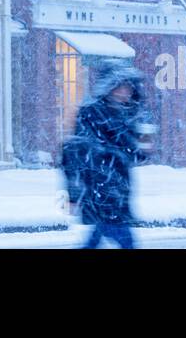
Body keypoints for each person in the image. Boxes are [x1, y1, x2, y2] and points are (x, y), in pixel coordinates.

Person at [67, 62, 144, 249]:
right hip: (100, 187)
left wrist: (142, 148)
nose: (126, 92)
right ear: (110, 87)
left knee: (99, 235)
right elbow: (75, 154)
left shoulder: (127, 115)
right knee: (124, 239)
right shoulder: (91, 114)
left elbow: (133, 155)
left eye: (129, 87)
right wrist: (73, 193)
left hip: (118, 189)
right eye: (122, 86)